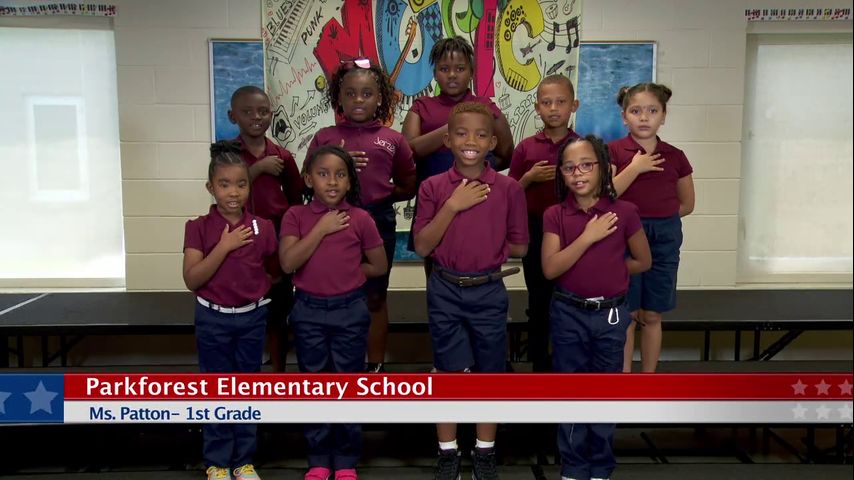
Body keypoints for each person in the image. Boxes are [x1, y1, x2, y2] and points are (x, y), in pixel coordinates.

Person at [413, 102, 528, 480]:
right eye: (461, 133)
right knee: (448, 372)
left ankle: (484, 451)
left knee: (489, 373)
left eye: (481, 134)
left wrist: (485, 244)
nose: (471, 141)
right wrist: (453, 206)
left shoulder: (509, 188)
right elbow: (423, 246)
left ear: (493, 142)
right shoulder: (432, 187)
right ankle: (448, 453)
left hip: (489, 291)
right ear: (447, 140)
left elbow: (520, 245)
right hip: (445, 289)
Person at [541, 135, 651, 480]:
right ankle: (573, 467)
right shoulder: (555, 215)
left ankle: (601, 467)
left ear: (603, 168)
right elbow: (551, 268)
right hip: (568, 314)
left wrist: (612, 270)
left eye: (586, 165)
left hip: (611, 315)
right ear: (561, 174)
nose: (578, 173)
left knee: (605, 391)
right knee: (570, 392)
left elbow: (643, 260)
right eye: (569, 167)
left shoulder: (625, 212)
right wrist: (588, 237)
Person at [279, 145, 388, 480]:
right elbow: (288, 262)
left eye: (340, 175)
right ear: (308, 179)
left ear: (349, 181)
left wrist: (351, 272)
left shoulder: (361, 219)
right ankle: (318, 458)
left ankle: (345, 459)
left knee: (347, 385)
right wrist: (322, 229)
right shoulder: (295, 216)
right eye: (323, 174)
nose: (332, 181)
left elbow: (379, 265)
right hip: (308, 311)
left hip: (349, 311)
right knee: (315, 385)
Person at [307, 59, 416, 373]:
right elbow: (305, 180)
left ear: (379, 98)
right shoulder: (325, 137)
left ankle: (375, 368)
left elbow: (409, 184)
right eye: (350, 93)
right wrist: (338, 165)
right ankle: (337, 367)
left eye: (367, 94)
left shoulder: (392, 139)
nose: (358, 100)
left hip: (376, 220)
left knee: (375, 296)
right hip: (330, 221)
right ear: (339, 98)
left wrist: (381, 195)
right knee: (335, 292)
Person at [183, 141, 276, 480]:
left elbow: (273, 270)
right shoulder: (197, 227)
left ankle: (243, 461)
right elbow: (192, 278)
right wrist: (224, 247)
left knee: (247, 388)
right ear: (211, 187)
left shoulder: (263, 227)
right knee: (217, 388)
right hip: (212, 319)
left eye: (241, 184)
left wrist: (254, 291)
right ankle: (217, 462)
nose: (233, 192)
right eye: (224, 184)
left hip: (252, 318)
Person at [403, 35, 514, 275]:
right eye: (444, 69)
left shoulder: (486, 107)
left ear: (471, 72)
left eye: (460, 68)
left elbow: (506, 153)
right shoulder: (421, 106)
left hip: (478, 195)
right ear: (435, 74)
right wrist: (453, 125)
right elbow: (408, 152)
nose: (452, 75)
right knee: (433, 258)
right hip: (434, 198)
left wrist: (477, 171)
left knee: (480, 252)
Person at [609, 83, 695, 373]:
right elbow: (607, 195)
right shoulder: (614, 151)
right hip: (625, 239)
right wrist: (635, 168)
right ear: (624, 117)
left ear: (664, 116)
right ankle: (624, 380)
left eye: (652, 111)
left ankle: (648, 379)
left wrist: (661, 220)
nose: (644, 117)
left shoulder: (676, 156)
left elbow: (687, 204)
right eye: (636, 111)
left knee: (653, 315)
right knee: (628, 313)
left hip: (664, 237)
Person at [508, 74, 581, 373]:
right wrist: (529, 178)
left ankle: (567, 366)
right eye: (547, 102)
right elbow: (509, 193)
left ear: (573, 105)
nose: (553, 108)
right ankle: (539, 366)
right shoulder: (526, 148)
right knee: (539, 300)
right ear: (537, 107)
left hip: (573, 232)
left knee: (570, 298)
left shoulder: (582, 146)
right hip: (535, 230)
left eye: (560, 102)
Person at [229, 85, 304, 372]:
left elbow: (296, 201)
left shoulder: (282, 156)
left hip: (276, 236)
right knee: (244, 307)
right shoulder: (228, 154)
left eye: (263, 111)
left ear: (272, 115)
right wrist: (258, 168)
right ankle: (245, 374)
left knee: (278, 309)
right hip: (240, 236)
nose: (256, 117)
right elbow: (226, 189)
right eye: (247, 112)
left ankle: (278, 373)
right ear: (233, 116)